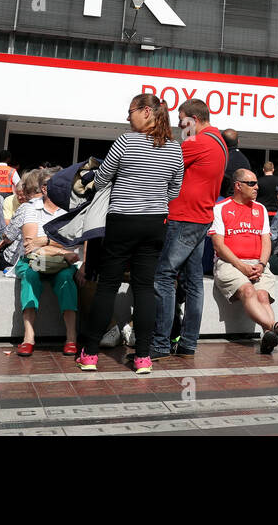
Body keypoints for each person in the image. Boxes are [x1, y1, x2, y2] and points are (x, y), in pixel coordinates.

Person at [78, 93, 184, 374]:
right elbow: (174, 191)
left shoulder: (125, 141)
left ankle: (89, 354)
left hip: (122, 220)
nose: (128, 117)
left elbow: (100, 180)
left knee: (107, 286)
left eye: (131, 111)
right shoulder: (175, 148)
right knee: (145, 288)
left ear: (146, 111)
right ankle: (143, 358)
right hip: (154, 224)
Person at [151, 99, 227, 362]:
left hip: (184, 217)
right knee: (194, 283)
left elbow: (163, 160)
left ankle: (160, 343)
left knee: (164, 277)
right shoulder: (218, 141)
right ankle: (188, 343)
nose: (180, 125)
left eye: (182, 120)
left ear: (193, 119)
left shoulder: (199, 142)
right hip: (201, 217)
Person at [210, 168, 278, 354]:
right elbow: (219, 246)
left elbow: (266, 241)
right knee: (248, 290)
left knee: (263, 296)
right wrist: (242, 266)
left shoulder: (260, 209)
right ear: (238, 186)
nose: (257, 187)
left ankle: (268, 336)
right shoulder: (221, 208)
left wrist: (262, 264)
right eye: (252, 183)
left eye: (256, 183)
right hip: (230, 263)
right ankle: (275, 327)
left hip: (258, 263)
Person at [11, 169, 80, 357]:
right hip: (36, 261)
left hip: (60, 264)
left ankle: (71, 338)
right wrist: (59, 249)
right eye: (58, 185)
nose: (64, 188)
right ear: (44, 188)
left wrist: (45, 242)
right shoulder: (30, 207)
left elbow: (73, 241)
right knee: (30, 276)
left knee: (67, 279)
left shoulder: (69, 210)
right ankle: (28, 337)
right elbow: (30, 244)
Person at [220, 128, 252, 198]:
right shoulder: (245, 161)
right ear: (238, 141)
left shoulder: (220, 158)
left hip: (222, 199)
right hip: (241, 199)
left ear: (222, 141)